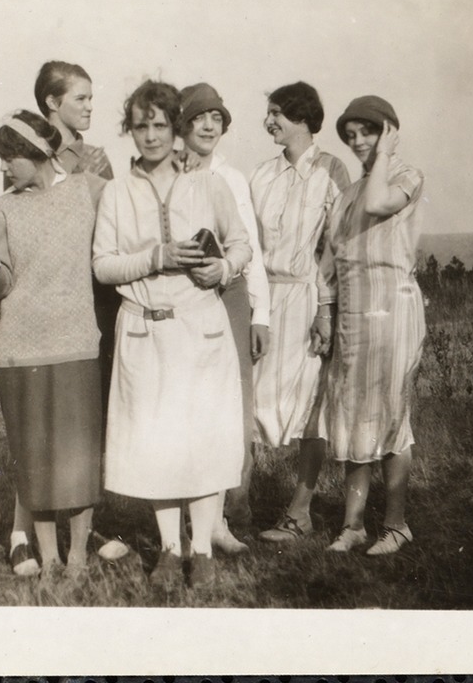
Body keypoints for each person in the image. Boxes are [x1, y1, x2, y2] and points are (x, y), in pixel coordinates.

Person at [92, 79, 251, 588]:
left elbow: (243, 245)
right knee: (158, 445)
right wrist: (156, 257)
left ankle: (201, 550)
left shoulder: (208, 184)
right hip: (144, 331)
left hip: (200, 329)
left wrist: (222, 270)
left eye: (161, 124)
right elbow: (102, 266)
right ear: (129, 131)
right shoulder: (117, 192)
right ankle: (167, 548)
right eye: (141, 126)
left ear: (176, 126)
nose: (152, 135)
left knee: (201, 441)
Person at [0, 110, 108, 581]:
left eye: (11, 158)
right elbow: (1, 286)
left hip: (77, 341)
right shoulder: (2, 208)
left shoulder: (88, 191)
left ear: (38, 153)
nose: (5, 169)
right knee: (36, 457)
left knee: (78, 458)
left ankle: (77, 557)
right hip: (21, 346)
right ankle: (49, 558)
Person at [317, 95, 425, 556]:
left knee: (390, 412)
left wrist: (383, 156)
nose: (358, 141)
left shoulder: (405, 176)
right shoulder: (345, 196)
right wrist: (325, 311)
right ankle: (354, 525)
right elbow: (330, 261)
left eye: (369, 132)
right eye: (352, 134)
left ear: (389, 132)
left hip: (393, 307)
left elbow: (381, 202)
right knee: (351, 416)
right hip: (353, 314)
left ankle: (396, 524)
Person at [245, 82, 352, 545]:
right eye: (268, 114)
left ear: (302, 117)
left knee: (312, 408)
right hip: (264, 302)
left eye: (276, 114)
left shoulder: (332, 171)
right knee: (247, 406)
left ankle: (300, 511)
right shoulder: (261, 176)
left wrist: (326, 312)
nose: (269, 122)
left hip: (311, 300)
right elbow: (248, 248)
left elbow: (337, 247)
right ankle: (237, 507)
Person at [175, 82, 270, 554]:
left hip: (230, 297)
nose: (210, 126)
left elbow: (250, 247)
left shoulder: (232, 179)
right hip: (180, 301)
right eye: (199, 118)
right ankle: (188, 518)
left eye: (217, 118)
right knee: (188, 405)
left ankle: (226, 516)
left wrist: (261, 314)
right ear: (182, 126)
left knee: (232, 407)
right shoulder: (167, 174)